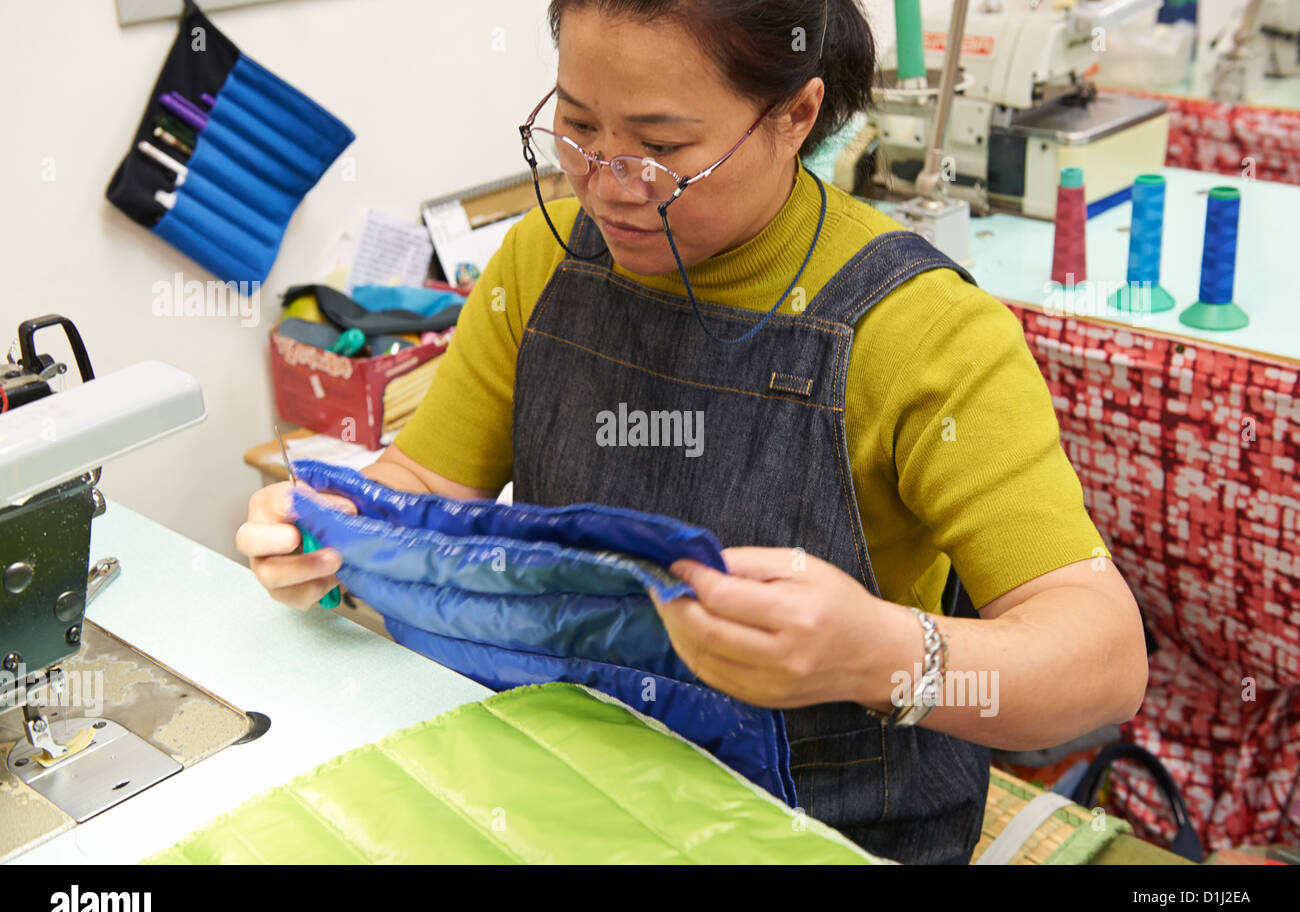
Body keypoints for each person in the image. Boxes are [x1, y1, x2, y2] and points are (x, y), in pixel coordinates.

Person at [237, 0, 1148, 864]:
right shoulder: (541, 260)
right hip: (560, 781)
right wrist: (327, 526)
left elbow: (1101, 662)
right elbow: (428, 491)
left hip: (818, 828)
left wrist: (878, 651)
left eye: (663, 148)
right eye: (580, 127)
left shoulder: (919, 331)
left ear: (797, 114)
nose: (604, 183)